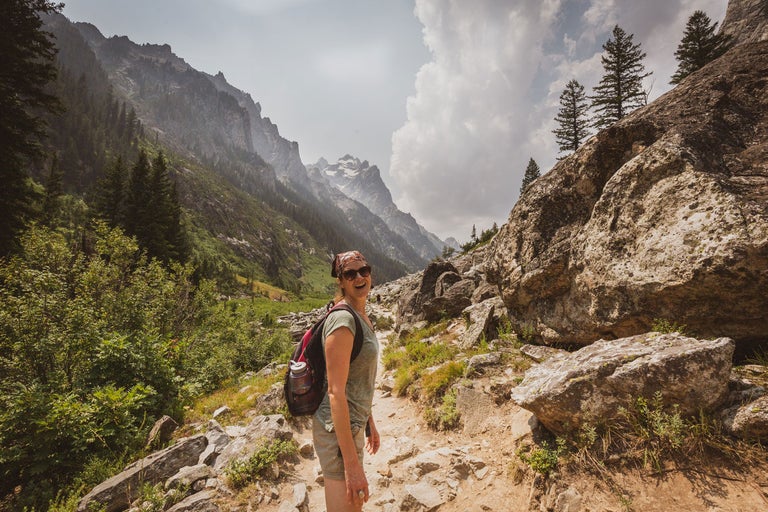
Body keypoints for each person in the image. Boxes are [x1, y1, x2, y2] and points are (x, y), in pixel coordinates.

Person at [313, 250, 380, 511]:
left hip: (351, 424)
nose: (359, 277)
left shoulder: (361, 315)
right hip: (336, 432)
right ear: (340, 281)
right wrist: (352, 466)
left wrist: (368, 420)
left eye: (364, 270)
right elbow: (335, 392)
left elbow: (358, 376)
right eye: (350, 274)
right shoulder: (342, 320)